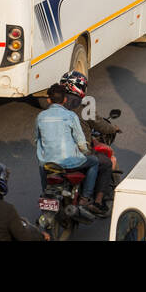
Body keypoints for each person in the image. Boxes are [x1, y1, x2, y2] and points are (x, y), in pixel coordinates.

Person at [34, 83, 99, 217]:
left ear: (48, 100)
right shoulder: (70, 116)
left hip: (48, 163)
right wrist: (85, 152)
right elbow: (81, 142)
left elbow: (37, 139)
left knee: (42, 165)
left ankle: (46, 192)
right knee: (94, 162)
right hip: (70, 162)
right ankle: (85, 198)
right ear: (65, 100)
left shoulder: (40, 117)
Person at [60, 70, 117, 212]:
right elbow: (100, 125)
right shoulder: (83, 106)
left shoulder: (55, 106)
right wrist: (113, 128)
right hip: (77, 154)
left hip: (55, 153)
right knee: (106, 163)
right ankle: (94, 201)